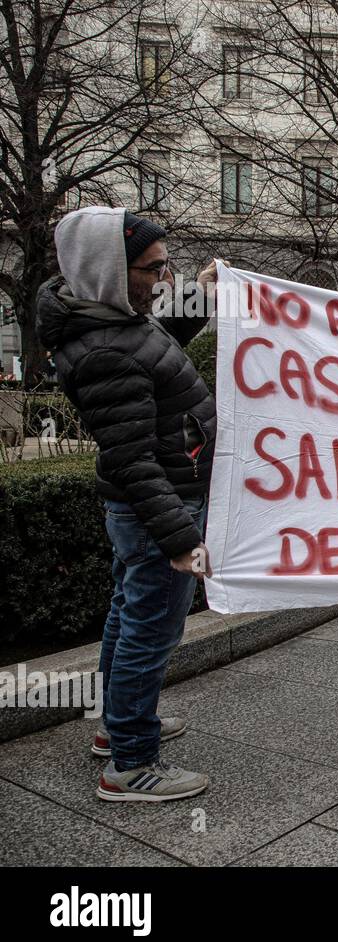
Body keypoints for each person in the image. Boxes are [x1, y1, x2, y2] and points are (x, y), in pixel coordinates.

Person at [37, 206, 218, 802]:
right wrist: (180, 540)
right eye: (154, 269)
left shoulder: (109, 317)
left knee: (127, 614)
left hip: (147, 505)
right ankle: (131, 764)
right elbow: (134, 460)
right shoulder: (103, 350)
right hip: (156, 507)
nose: (164, 280)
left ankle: (116, 729)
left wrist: (204, 294)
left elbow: (157, 346)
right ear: (115, 271)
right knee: (150, 631)